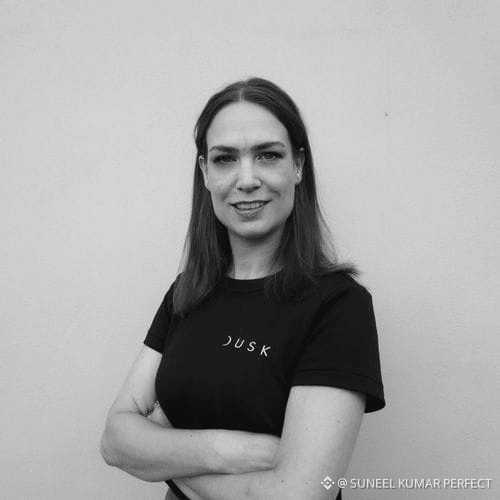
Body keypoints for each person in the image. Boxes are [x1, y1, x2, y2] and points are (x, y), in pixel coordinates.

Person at [100, 77, 385, 500]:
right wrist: (233, 451)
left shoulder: (339, 306)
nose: (246, 179)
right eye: (225, 159)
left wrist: (162, 450)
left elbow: (298, 496)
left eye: (268, 155)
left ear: (298, 166)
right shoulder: (187, 292)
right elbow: (114, 440)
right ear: (205, 173)